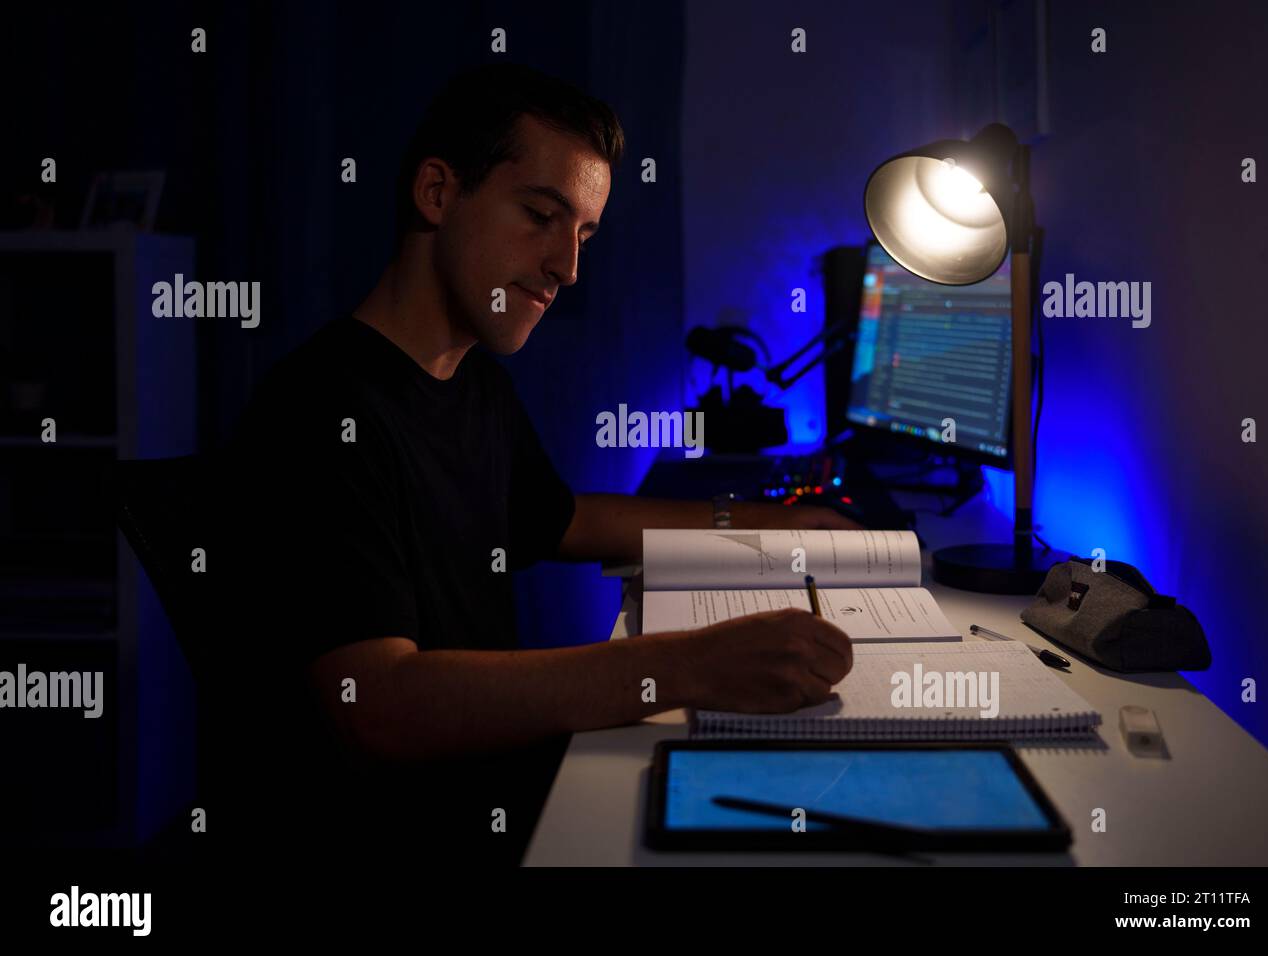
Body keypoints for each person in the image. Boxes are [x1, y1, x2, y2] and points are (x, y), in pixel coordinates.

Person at [215, 63, 855, 863]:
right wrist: (688, 665)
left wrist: (777, 523)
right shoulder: (319, 410)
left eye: (583, 235)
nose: (567, 268)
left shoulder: (468, 377)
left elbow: (568, 519)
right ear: (438, 194)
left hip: (505, 790)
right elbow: (377, 704)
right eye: (540, 217)